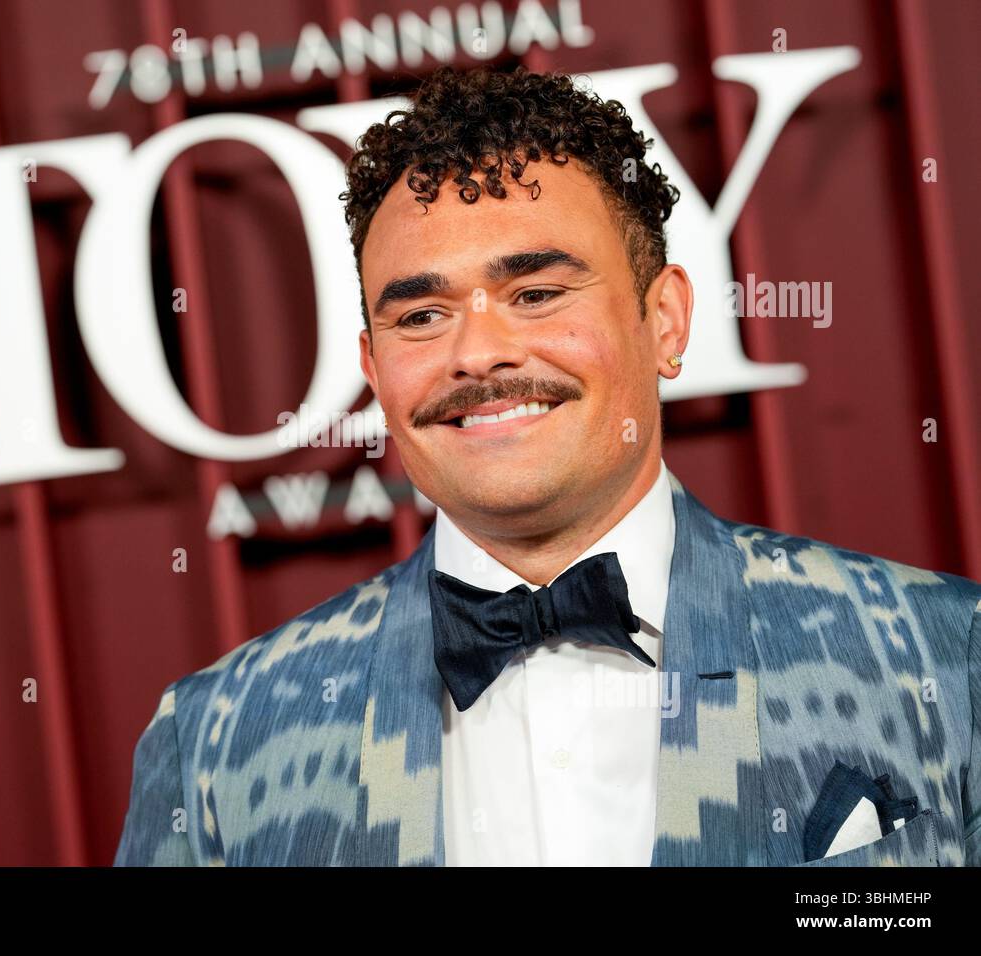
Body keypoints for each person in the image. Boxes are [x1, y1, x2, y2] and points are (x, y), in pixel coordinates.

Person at [114, 66, 980, 867]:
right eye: (421, 316)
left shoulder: (949, 658)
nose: (477, 353)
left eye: (536, 294)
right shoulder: (214, 748)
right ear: (374, 371)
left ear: (666, 321)